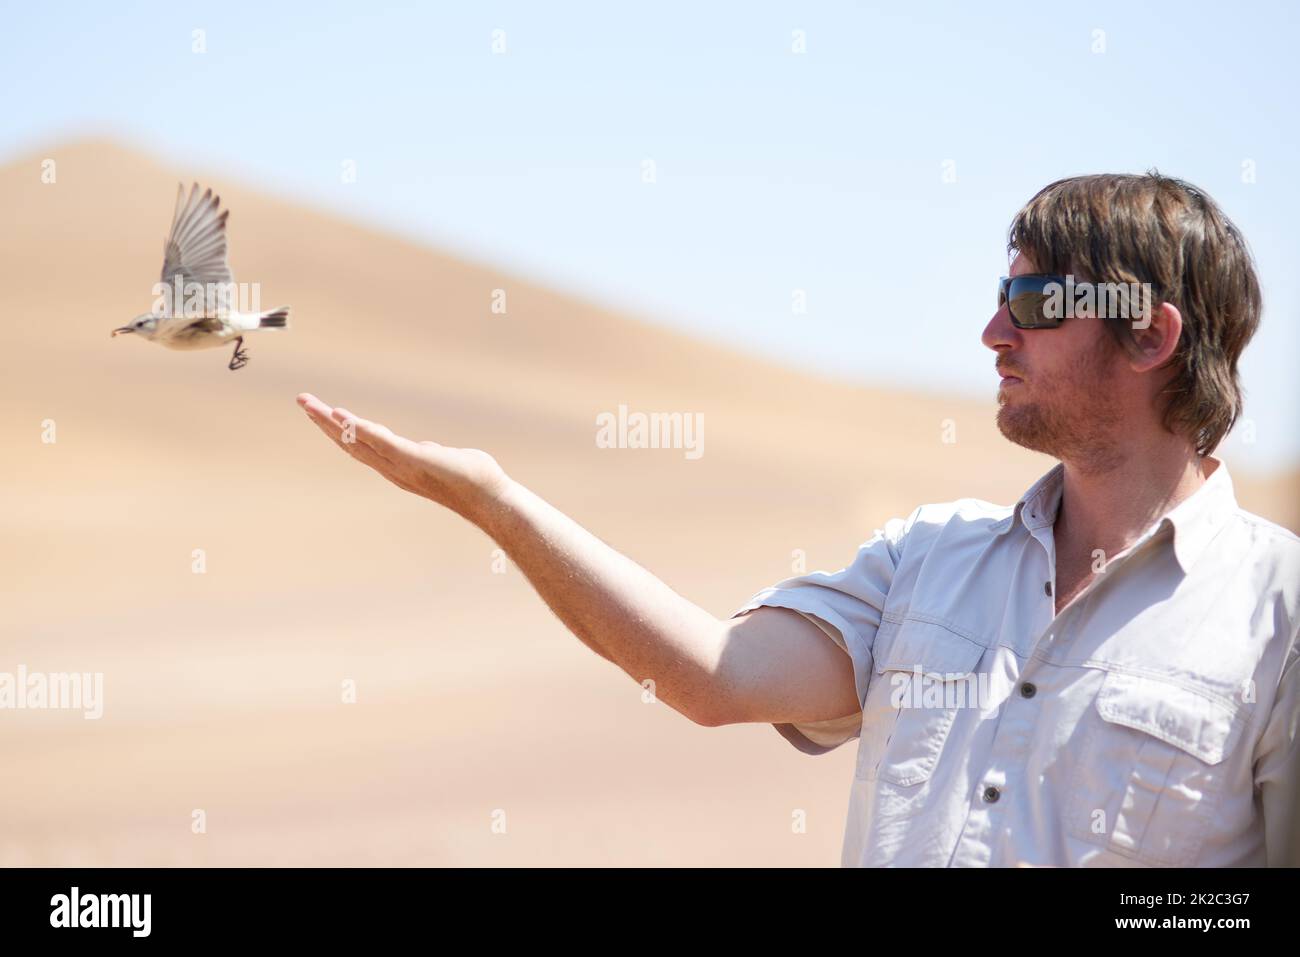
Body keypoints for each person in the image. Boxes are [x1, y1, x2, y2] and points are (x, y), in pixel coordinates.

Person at [297, 171, 1298, 867]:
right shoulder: (925, 562)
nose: (992, 332)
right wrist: (496, 504)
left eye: (1033, 301)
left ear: (1150, 334)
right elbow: (712, 676)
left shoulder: (1278, 619)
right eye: (999, 297)